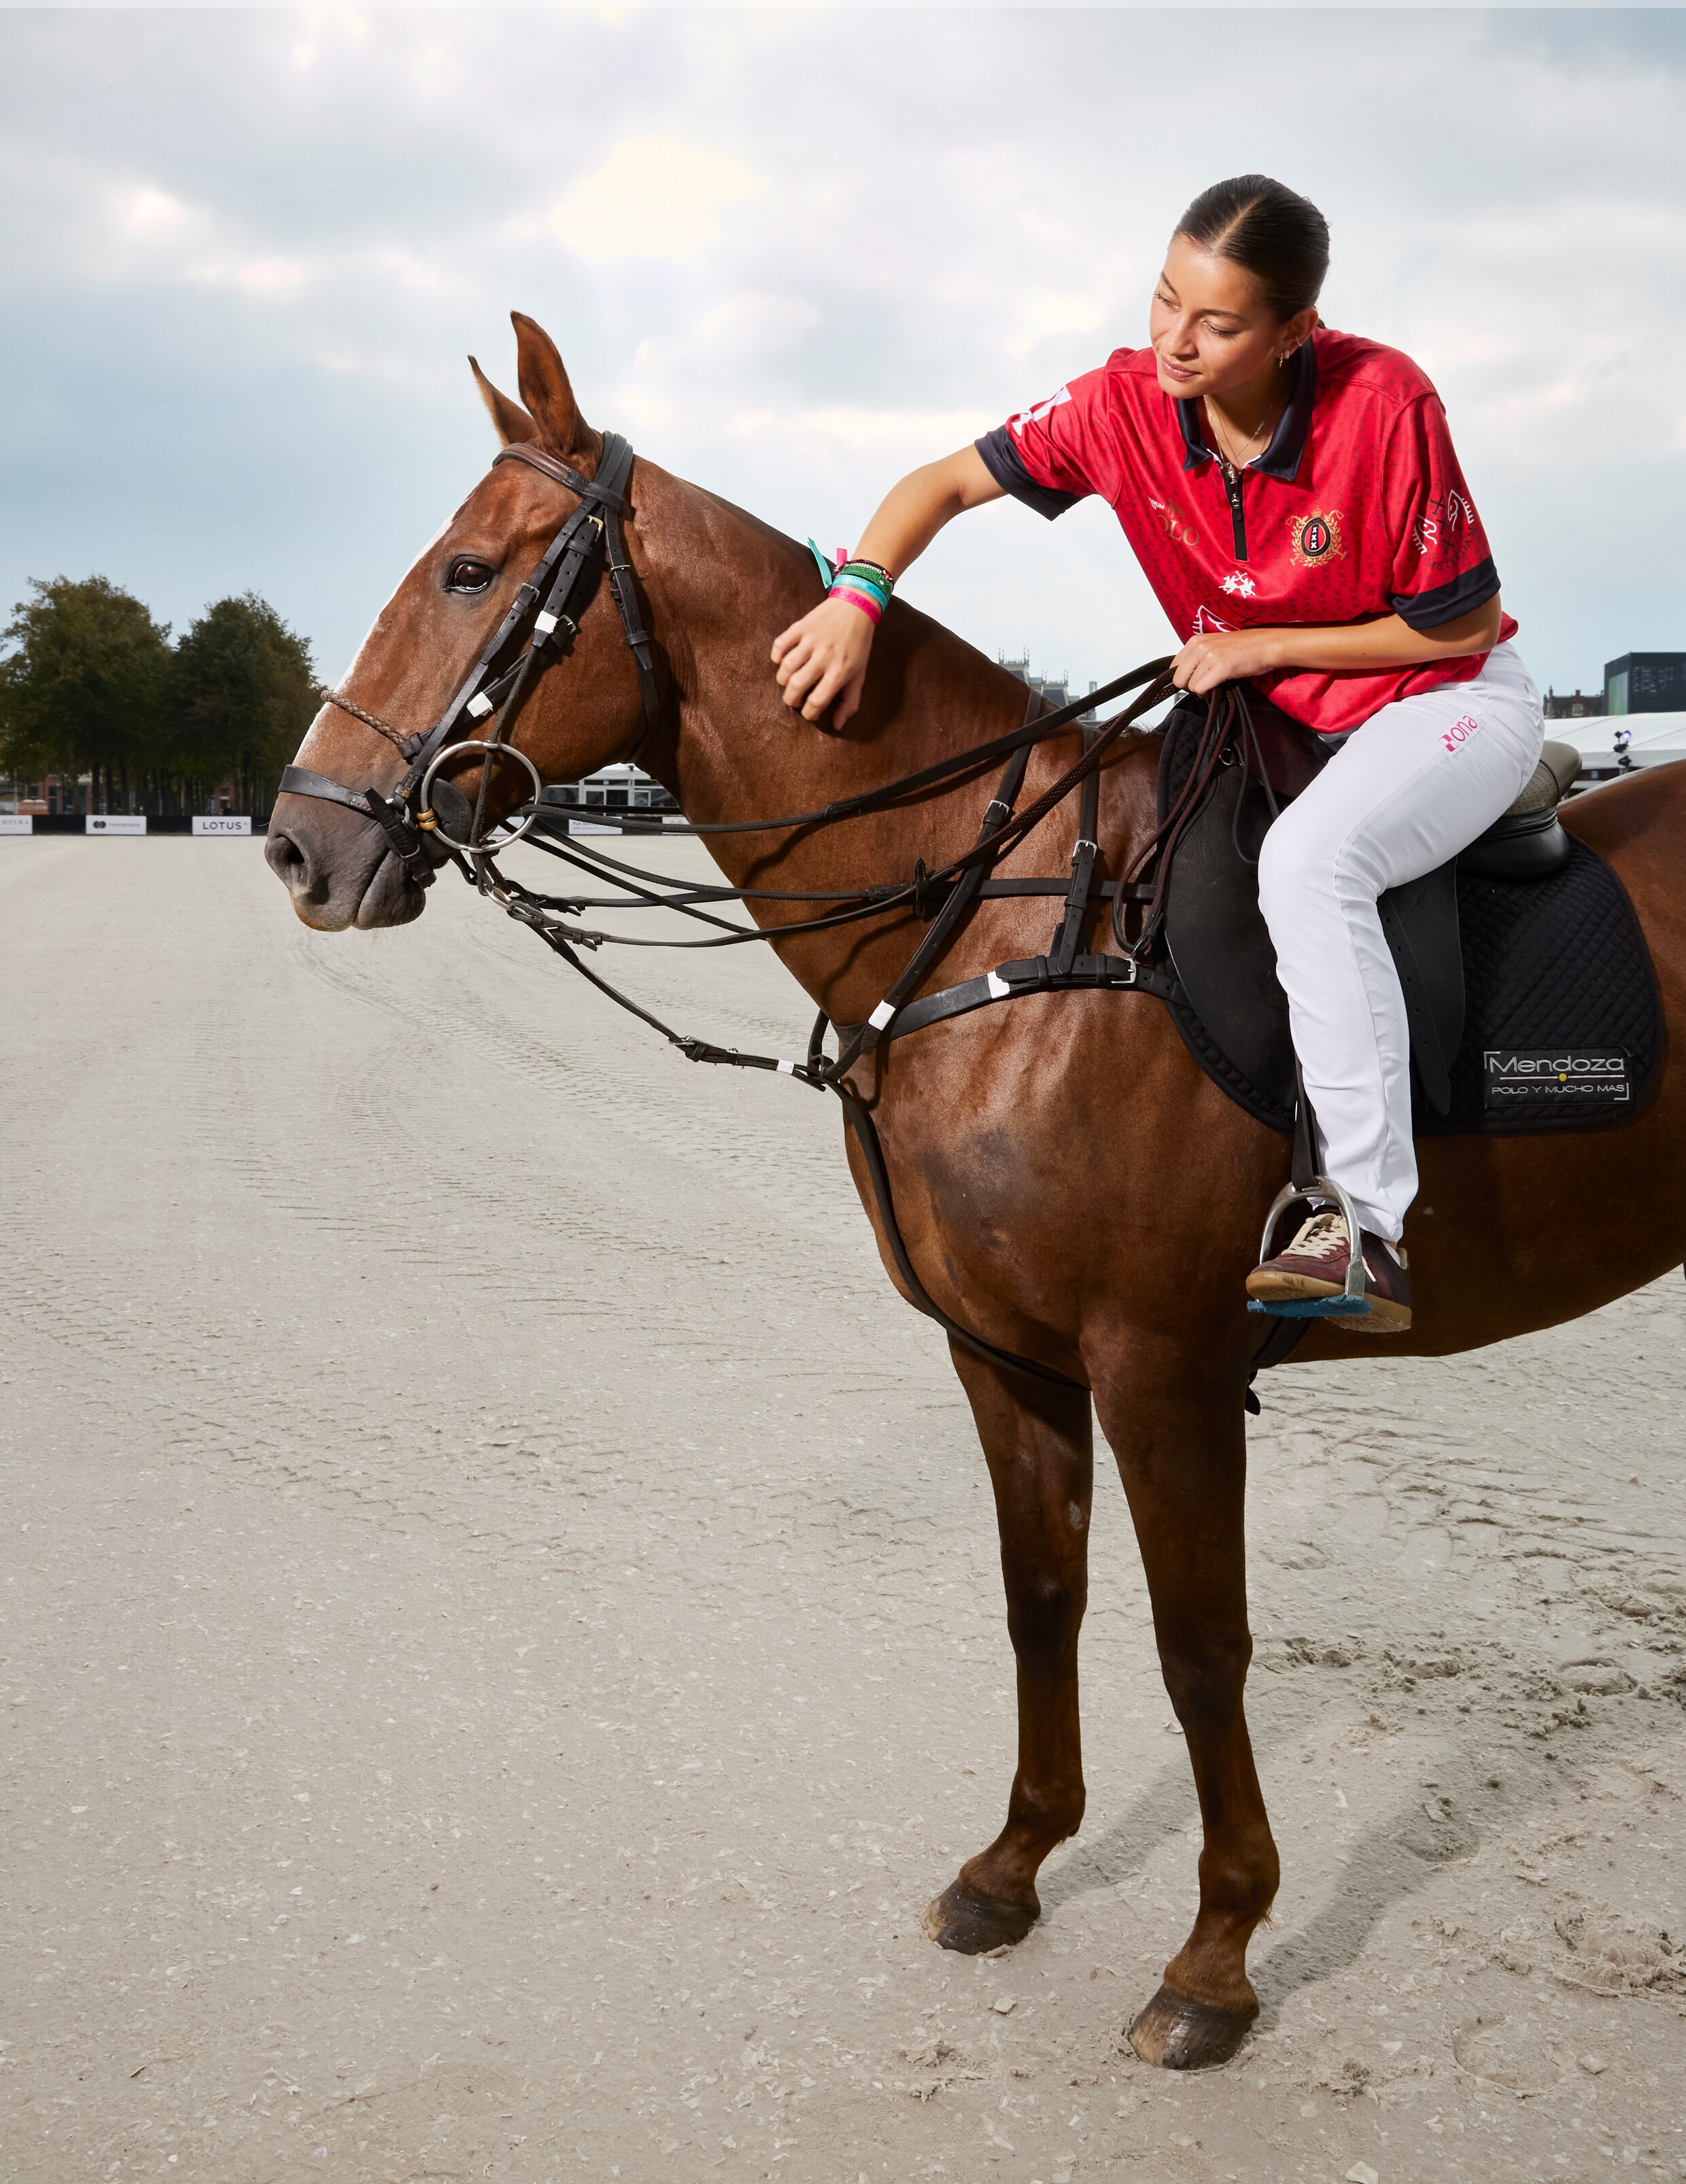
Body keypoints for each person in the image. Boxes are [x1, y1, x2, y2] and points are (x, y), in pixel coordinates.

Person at [770, 174, 1545, 1336]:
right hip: (1275, 712)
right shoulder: (1119, 403)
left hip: (1441, 699)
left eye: (1218, 323)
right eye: (1164, 299)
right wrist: (859, 594)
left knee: (1312, 867)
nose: (1175, 341)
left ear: (1296, 332)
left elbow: (1459, 625)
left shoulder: (1385, 400)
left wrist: (1259, 642)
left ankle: (1363, 1227)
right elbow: (941, 484)